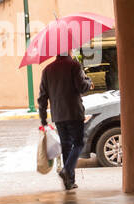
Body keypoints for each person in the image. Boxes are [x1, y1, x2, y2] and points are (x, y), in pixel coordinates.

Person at [38, 52, 93, 191]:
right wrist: (88, 81)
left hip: (58, 115)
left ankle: (70, 182)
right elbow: (82, 87)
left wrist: (43, 119)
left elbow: (42, 97)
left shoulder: (47, 70)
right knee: (79, 143)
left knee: (66, 146)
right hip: (74, 113)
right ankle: (67, 170)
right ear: (68, 50)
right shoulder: (74, 65)